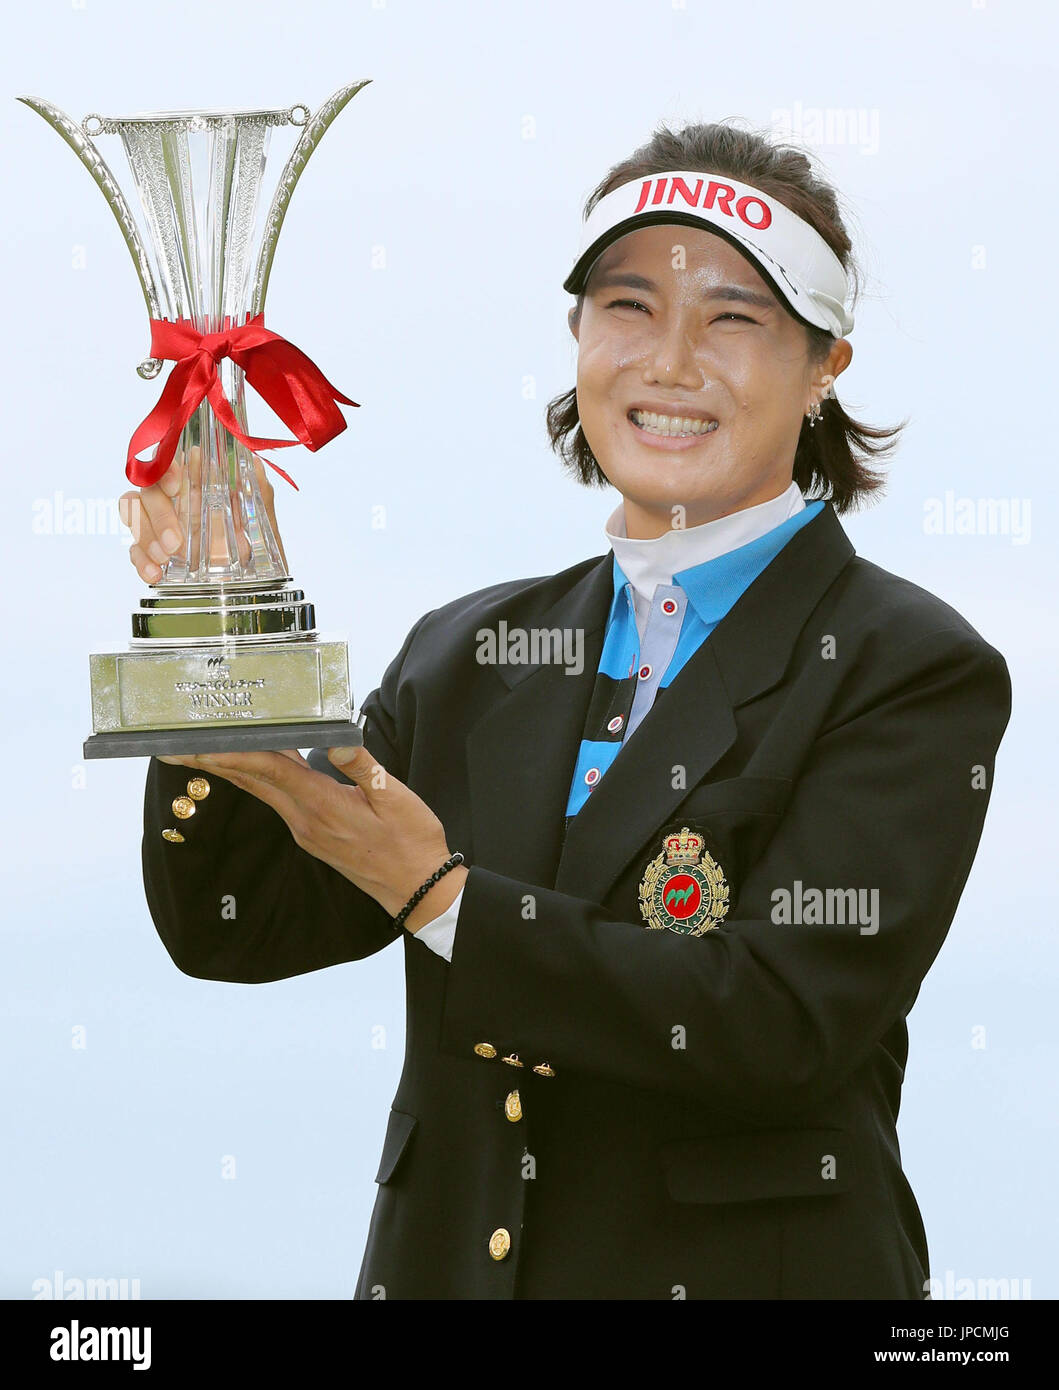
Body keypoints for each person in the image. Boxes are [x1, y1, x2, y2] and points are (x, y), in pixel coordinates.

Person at [127, 121, 1011, 1300]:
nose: (671, 360)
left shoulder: (910, 666)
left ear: (825, 366)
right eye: (628, 306)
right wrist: (229, 619)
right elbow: (240, 922)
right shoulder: (471, 649)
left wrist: (443, 901)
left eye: (735, 317)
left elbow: (776, 1026)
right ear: (579, 338)